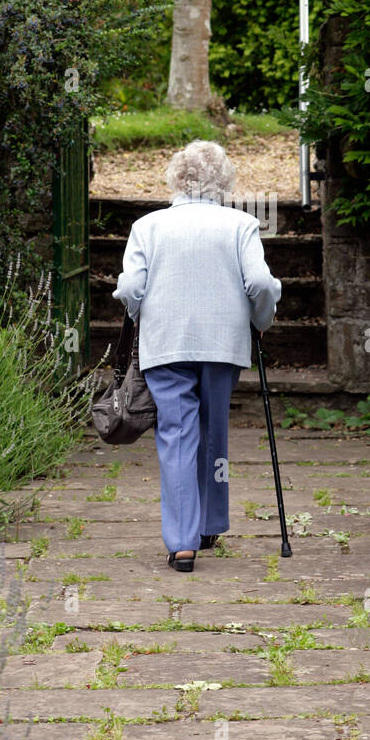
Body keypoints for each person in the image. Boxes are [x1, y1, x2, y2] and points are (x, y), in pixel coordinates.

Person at [113, 140, 281, 572]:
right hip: (222, 344)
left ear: (175, 179)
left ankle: (182, 542)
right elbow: (261, 284)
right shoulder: (240, 224)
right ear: (223, 180)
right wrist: (262, 319)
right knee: (214, 433)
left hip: (165, 343)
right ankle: (208, 524)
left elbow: (130, 289)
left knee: (176, 435)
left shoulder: (147, 226)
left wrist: (140, 313)